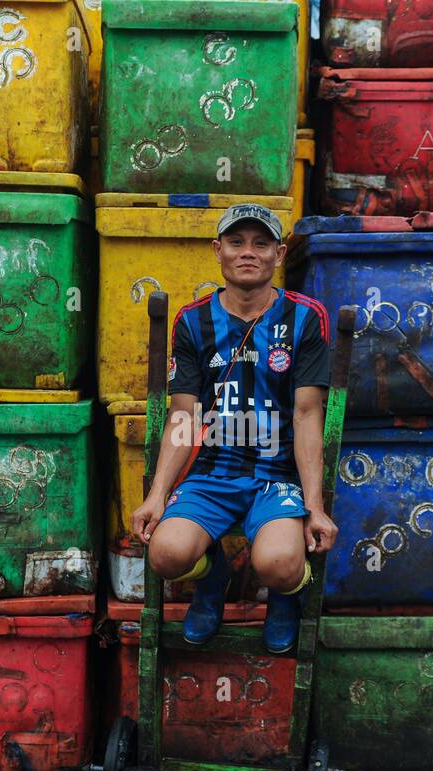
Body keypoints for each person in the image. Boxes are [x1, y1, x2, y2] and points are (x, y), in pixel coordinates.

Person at [130, 204, 337, 653]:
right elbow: (183, 413)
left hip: (277, 475)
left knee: (279, 564)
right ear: (217, 250)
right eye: (236, 242)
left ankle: (287, 596)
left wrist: (315, 506)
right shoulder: (193, 321)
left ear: (279, 255)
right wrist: (157, 494)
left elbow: (306, 416)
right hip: (212, 475)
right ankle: (215, 577)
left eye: (261, 243)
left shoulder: (305, 318)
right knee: (165, 554)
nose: (248, 253)